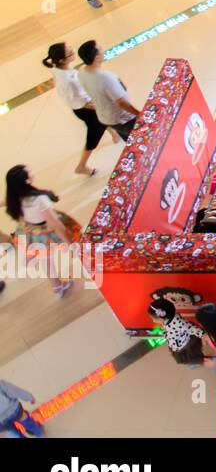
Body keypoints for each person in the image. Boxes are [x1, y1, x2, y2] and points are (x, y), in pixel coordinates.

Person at [5, 165, 74, 297]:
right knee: (48, 257)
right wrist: (70, 243)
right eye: (29, 171)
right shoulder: (40, 200)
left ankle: (57, 286)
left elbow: (5, 202)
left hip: (29, 231)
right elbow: (54, 224)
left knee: (46, 259)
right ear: (27, 181)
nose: (32, 171)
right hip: (45, 233)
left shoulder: (15, 196)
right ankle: (59, 285)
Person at [42, 42, 107, 176]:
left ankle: (114, 133)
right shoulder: (67, 81)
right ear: (62, 60)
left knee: (105, 118)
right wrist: (98, 105)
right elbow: (79, 102)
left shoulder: (59, 68)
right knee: (94, 135)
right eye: (70, 52)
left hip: (85, 104)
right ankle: (81, 166)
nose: (73, 52)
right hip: (85, 109)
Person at [76, 40, 139, 140]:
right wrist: (139, 114)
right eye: (100, 48)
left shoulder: (81, 70)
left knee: (125, 135)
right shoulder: (106, 78)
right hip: (123, 119)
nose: (103, 49)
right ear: (96, 57)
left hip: (105, 118)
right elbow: (122, 103)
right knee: (137, 137)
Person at [148, 297, 206, 366]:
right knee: (187, 358)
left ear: (162, 316)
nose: (153, 321)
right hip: (176, 343)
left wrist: (204, 335)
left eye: (154, 319)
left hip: (185, 346)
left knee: (192, 358)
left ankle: (210, 361)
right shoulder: (168, 318)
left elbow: (191, 328)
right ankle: (199, 361)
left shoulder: (178, 322)